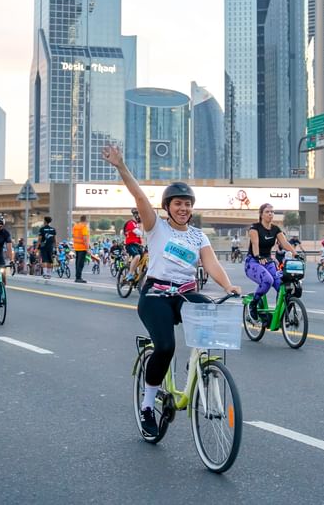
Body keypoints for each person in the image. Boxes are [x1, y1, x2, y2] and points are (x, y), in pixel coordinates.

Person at [101, 143, 240, 438]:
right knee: (166, 347)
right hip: (155, 295)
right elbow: (139, 195)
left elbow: (211, 263)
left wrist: (229, 286)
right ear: (167, 207)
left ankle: (201, 371)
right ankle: (148, 405)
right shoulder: (155, 227)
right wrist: (121, 166)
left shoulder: (197, 234)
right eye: (177, 203)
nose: (183, 208)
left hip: (185, 293)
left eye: (187, 203)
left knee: (212, 319)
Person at [244, 203, 297, 321]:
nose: (270, 214)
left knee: (282, 286)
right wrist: (258, 257)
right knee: (268, 280)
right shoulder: (254, 228)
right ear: (261, 214)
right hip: (253, 262)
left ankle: (281, 313)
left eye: (272, 212)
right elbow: (255, 243)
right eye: (267, 212)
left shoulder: (275, 229)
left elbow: (284, 243)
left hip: (268, 261)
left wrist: (295, 253)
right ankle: (253, 304)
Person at [123, 208, 146, 281]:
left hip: (138, 245)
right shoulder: (131, 223)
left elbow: (142, 235)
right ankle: (130, 274)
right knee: (137, 256)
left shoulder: (137, 224)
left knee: (144, 259)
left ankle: (139, 275)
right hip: (130, 244)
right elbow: (138, 232)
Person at [72, 214, 91, 284]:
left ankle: (77, 276)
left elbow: (74, 236)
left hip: (76, 246)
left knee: (77, 263)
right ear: (85, 220)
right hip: (82, 247)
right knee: (80, 264)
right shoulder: (84, 227)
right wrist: (87, 249)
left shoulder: (75, 226)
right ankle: (78, 278)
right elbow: (85, 238)